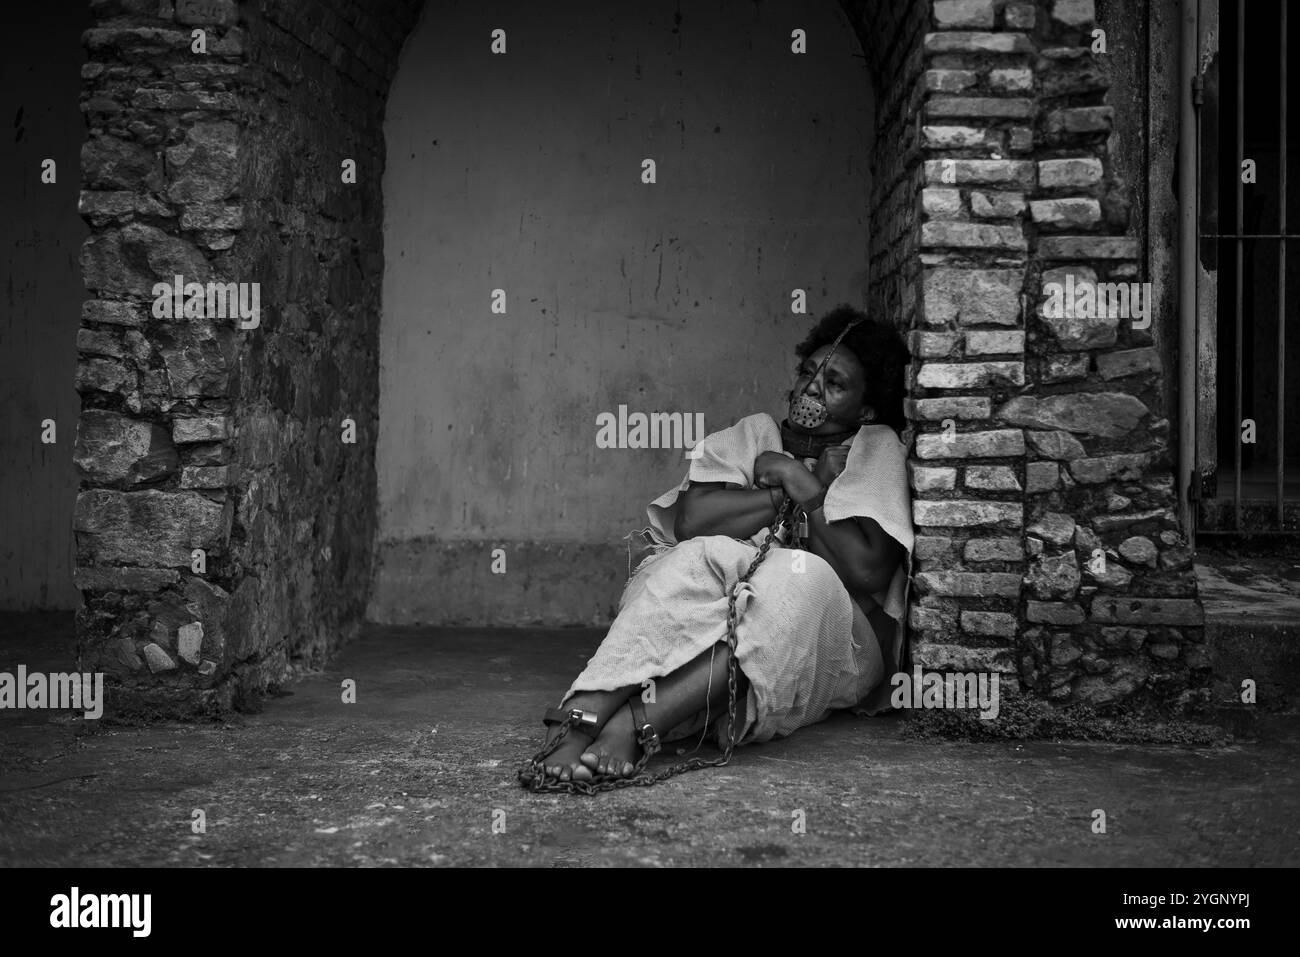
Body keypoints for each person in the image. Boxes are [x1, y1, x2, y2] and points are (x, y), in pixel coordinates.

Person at [528, 304, 913, 784]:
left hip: (832, 640)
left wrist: (802, 483)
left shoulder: (875, 450)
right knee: (693, 558)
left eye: (834, 383)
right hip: (720, 604)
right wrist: (775, 494)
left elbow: (870, 572)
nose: (812, 388)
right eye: (809, 373)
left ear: (867, 408)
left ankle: (639, 721)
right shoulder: (754, 435)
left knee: (799, 575)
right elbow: (692, 521)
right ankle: (586, 708)